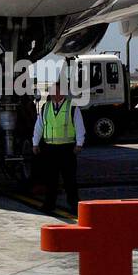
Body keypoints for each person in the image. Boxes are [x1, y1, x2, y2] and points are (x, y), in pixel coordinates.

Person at [33, 82, 85, 215]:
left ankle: (74, 204)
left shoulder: (72, 107)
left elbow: (79, 126)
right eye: (52, 92)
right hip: (50, 149)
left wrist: (79, 143)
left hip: (67, 149)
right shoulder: (46, 107)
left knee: (70, 179)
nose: (54, 94)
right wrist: (35, 143)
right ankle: (49, 204)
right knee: (51, 179)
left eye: (56, 92)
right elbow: (39, 126)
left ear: (63, 92)